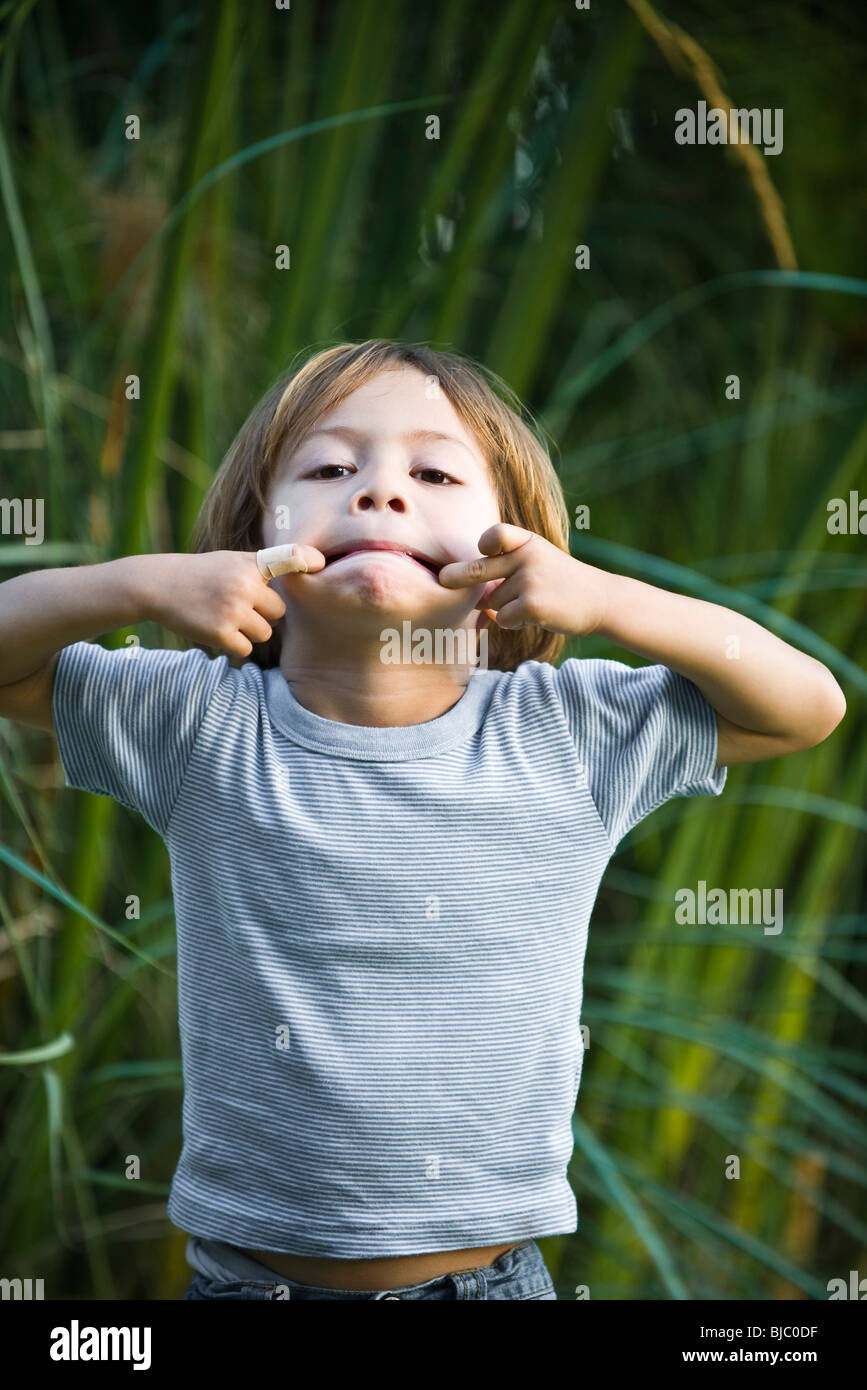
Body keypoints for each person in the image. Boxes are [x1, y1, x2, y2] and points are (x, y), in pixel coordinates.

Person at [0, 339, 846, 1301]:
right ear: (252, 533)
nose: (379, 491)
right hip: (245, 1285)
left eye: (434, 470)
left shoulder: (568, 731)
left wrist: (605, 599)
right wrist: (141, 584)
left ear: (515, 548)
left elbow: (804, 705)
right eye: (328, 467)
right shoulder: (199, 722)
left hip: (487, 1286)